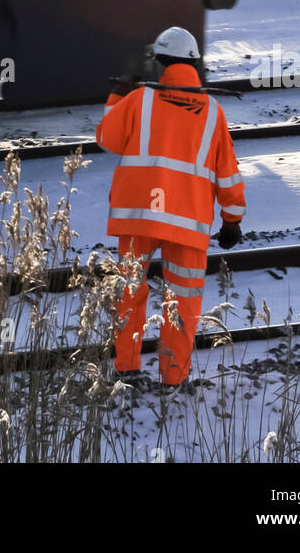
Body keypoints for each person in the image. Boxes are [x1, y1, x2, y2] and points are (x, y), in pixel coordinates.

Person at [96, 26, 246, 387]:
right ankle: (173, 379)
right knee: (183, 301)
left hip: (138, 218)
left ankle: (126, 368)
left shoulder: (139, 100)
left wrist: (118, 93)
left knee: (129, 291)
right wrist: (232, 220)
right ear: (194, 64)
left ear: (160, 63)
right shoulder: (213, 112)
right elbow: (227, 174)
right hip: (187, 223)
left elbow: (106, 138)